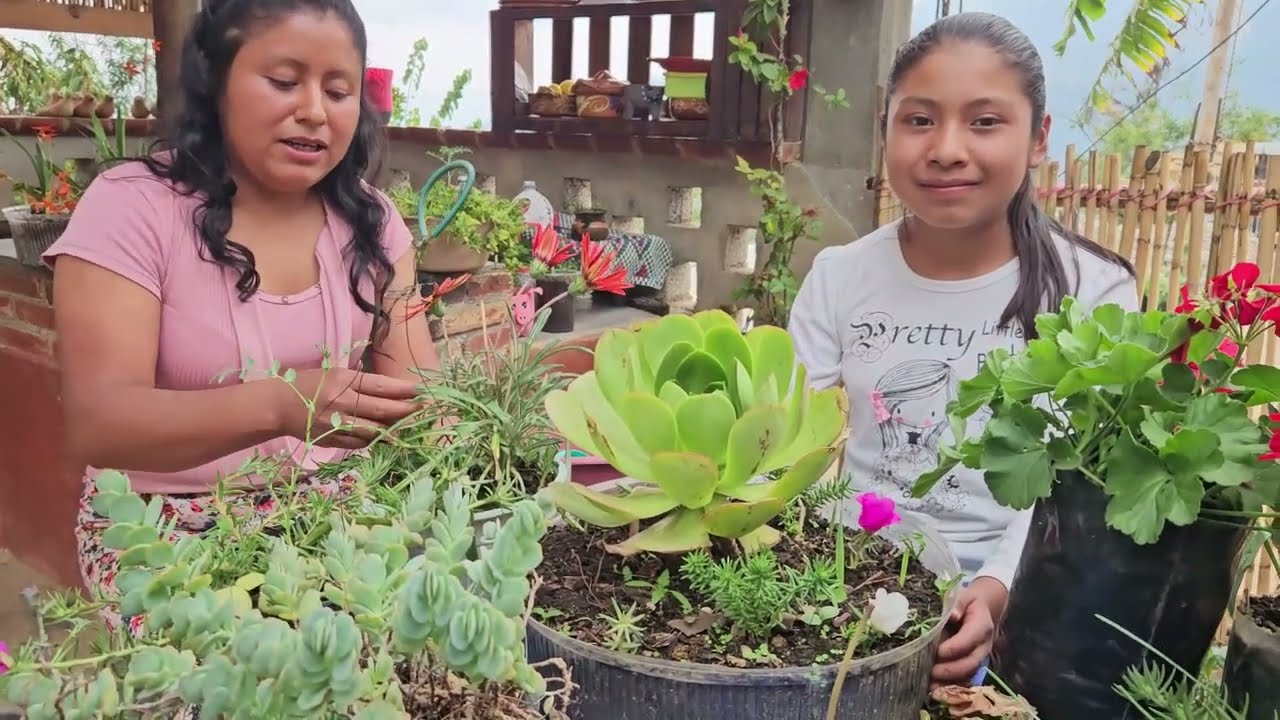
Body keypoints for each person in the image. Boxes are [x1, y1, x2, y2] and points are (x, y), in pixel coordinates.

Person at [43, 0, 437, 631]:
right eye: (284, 82)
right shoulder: (133, 209)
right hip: (166, 525)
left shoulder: (372, 221)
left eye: (338, 91)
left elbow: (420, 397)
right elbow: (99, 423)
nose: (314, 109)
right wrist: (287, 404)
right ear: (216, 80)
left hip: (343, 517)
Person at [788, 13, 1139, 687]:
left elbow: (1069, 482)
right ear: (884, 129)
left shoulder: (1093, 290)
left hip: (1019, 604)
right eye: (918, 120)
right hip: (848, 587)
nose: (946, 149)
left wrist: (995, 589)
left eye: (984, 122)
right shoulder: (840, 275)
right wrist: (829, 578)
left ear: (1039, 138)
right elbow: (800, 451)